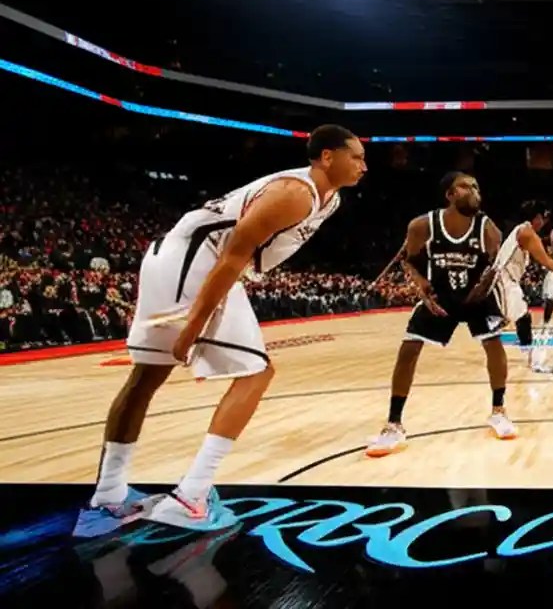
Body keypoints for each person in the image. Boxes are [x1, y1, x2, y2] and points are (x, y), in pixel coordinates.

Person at [75, 125, 366, 537]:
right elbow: (233, 256)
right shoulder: (294, 193)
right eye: (355, 156)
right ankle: (191, 497)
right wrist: (193, 324)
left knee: (146, 377)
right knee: (257, 373)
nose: (364, 165)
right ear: (326, 157)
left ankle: (107, 496)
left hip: (174, 255)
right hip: (197, 259)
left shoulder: (328, 200)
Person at [366, 172, 515, 458]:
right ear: (449, 194)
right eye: (466, 186)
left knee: (494, 344)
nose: (474, 191)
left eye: (476, 186)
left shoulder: (488, 228)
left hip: (477, 297)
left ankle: (499, 410)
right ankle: (394, 424)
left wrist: (492, 297)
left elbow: (495, 268)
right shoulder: (422, 225)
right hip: (439, 296)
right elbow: (410, 263)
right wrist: (422, 288)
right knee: (408, 349)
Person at [475, 202, 553, 372]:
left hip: (506, 280)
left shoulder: (521, 231)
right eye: (543, 218)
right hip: (504, 281)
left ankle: (524, 351)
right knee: (520, 318)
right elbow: (546, 261)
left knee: (516, 318)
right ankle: (532, 360)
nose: (543, 222)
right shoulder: (527, 233)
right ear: (536, 217)